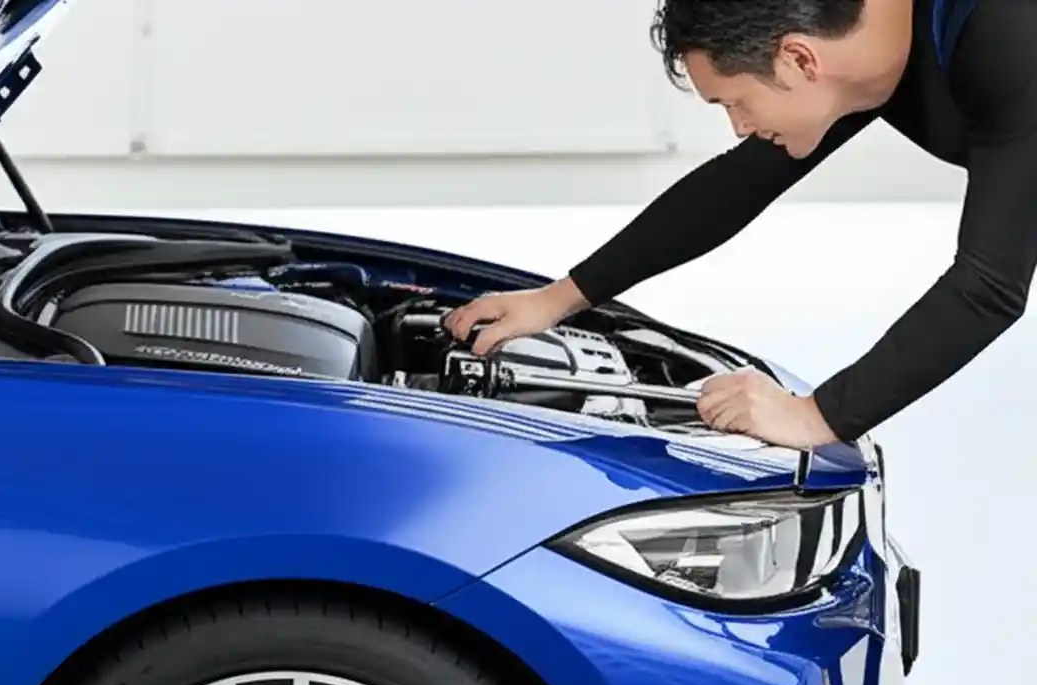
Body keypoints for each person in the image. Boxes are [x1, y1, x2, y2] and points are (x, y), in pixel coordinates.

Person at [443, 0, 1037, 449]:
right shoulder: (852, 47)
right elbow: (743, 180)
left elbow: (988, 287)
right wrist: (558, 299)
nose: (738, 126)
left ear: (799, 58)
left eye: (735, 103)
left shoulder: (1008, 39)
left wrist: (815, 416)